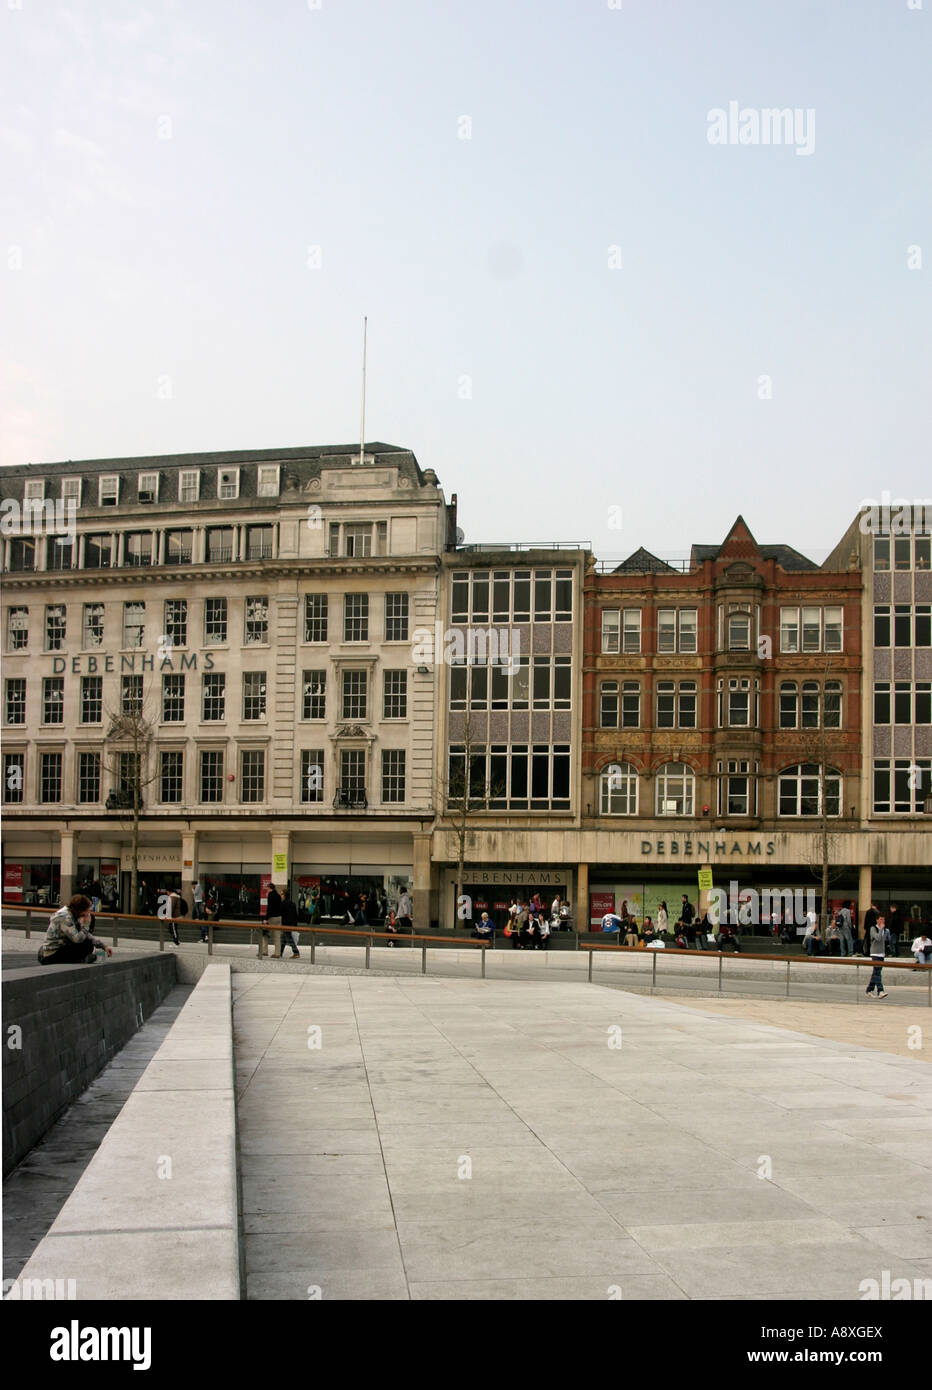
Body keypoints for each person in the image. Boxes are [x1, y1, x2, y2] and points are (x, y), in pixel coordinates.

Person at [38, 895, 112, 965]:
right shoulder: (64, 917)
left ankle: (81, 959)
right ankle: (81, 959)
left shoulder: (74, 915)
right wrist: (86, 926)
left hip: (60, 948)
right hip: (50, 954)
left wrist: (104, 946)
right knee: (85, 945)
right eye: (87, 910)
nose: (88, 913)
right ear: (80, 910)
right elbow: (77, 939)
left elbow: (86, 935)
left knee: (87, 943)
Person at [866, 914, 888, 998]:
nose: (883, 921)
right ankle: (880, 990)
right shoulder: (873, 928)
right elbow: (878, 938)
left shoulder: (884, 930)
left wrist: (884, 931)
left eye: (884, 919)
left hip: (881, 953)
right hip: (875, 953)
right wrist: (881, 929)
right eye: (881, 919)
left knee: (876, 972)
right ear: (877, 920)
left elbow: (884, 940)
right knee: (877, 972)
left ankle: (869, 990)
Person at [263, 882, 283, 957]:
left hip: (272, 918)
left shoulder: (270, 895)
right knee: (277, 936)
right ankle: (277, 953)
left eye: (267, 888)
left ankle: (264, 951)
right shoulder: (278, 895)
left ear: (269, 888)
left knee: (265, 934)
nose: (266, 890)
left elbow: (269, 908)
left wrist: (266, 919)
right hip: (279, 918)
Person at [280, 890, 300, 957]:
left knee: (288, 938)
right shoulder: (292, 903)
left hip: (285, 923)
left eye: (282, 894)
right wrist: (295, 925)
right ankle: (280, 952)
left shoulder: (283, 904)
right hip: (291, 923)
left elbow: (281, 914)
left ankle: (296, 952)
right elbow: (295, 915)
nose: (281, 896)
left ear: (285, 895)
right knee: (284, 938)